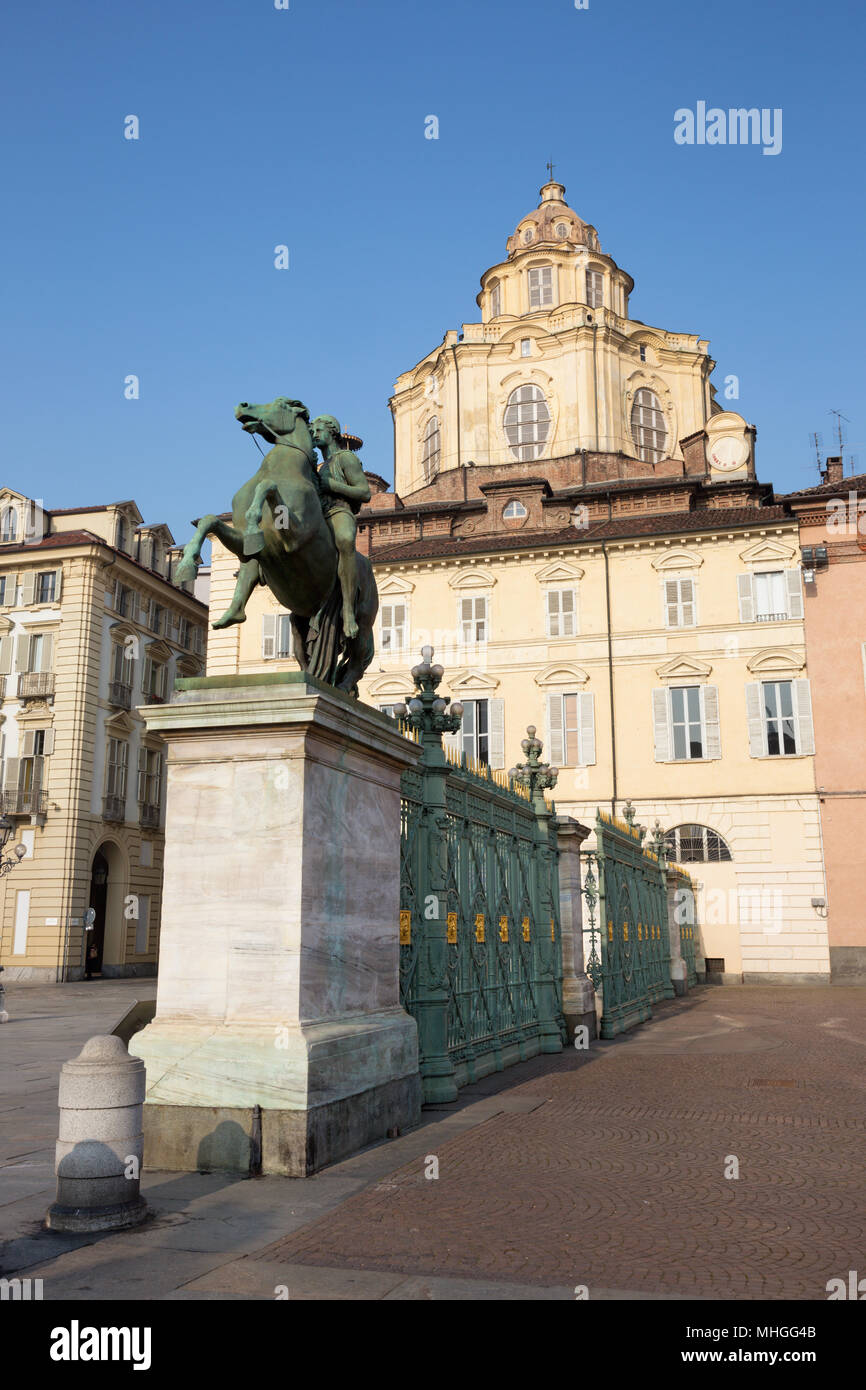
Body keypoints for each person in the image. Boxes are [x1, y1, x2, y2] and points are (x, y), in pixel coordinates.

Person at [310, 415, 371, 639]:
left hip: (339, 510)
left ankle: (347, 609)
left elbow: (364, 493)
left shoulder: (345, 458)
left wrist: (333, 485)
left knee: (345, 540)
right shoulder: (318, 465)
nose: (314, 434)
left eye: (319, 430)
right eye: (312, 431)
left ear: (332, 432)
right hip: (319, 514)